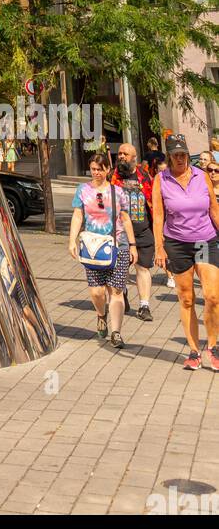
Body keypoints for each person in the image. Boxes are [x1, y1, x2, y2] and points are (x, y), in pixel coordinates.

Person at [152, 136, 219, 370]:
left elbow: (213, 207)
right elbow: (158, 215)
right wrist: (159, 247)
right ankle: (193, 350)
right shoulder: (161, 180)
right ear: (169, 156)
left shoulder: (202, 176)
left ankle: (212, 347)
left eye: (183, 154)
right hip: (178, 244)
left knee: (212, 296)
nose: (180, 158)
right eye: (175, 155)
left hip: (204, 240)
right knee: (187, 298)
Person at [69, 151, 137, 348]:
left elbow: (125, 219)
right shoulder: (82, 190)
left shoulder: (118, 192)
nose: (96, 173)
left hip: (118, 246)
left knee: (116, 290)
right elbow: (77, 216)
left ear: (108, 169)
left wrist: (132, 245)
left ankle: (116, 332)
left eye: (100, 169)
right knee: (97, 292)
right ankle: (101, 314)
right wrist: (72, 240)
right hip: (92, 247)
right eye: (93, 169)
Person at [113, 142, 154, 321]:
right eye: (120, 154)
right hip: (120, 232)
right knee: (120, 269)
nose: (121, 156)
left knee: (143, 268)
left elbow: (153, 202)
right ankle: (123, 294)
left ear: (134, 158)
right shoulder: (111, 176)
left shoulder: (144, 176)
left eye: (125, 154)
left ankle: (144, 306)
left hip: (142, 230)